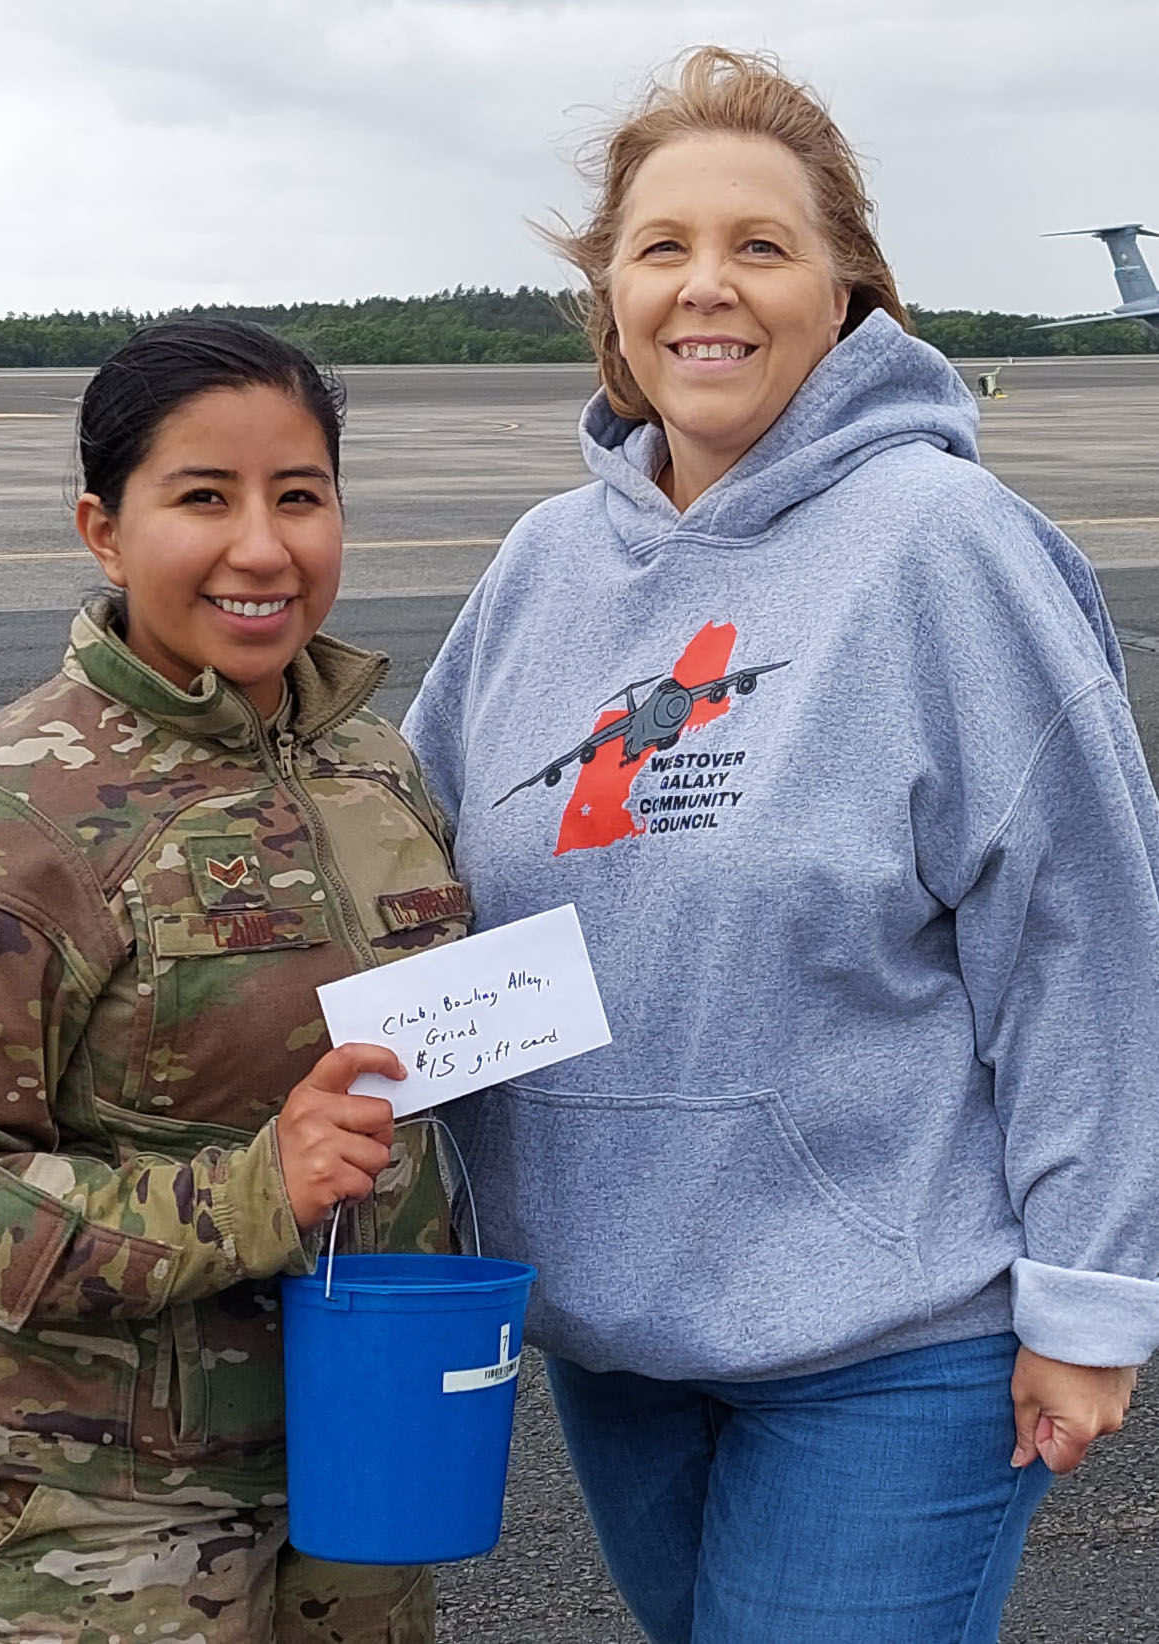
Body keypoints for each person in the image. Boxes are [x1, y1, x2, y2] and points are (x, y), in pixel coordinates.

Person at [402, 47, 1159, 1644]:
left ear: (849, 294)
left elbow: (1089, 944)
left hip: (894, 1335)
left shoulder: (947, 550)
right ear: (607, 294)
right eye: (663, 247)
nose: (707, 290)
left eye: (761, 246)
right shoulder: (545, 565)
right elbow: (410, 878)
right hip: (613, 1328)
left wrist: (1092, 1301)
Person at [0, 319, 471, 1644]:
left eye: (299, 496)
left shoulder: (375, 766)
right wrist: (248, 1197)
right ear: (104, 530)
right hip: (105, 1524)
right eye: (204, 497)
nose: (263, 546)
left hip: (367, 1461)